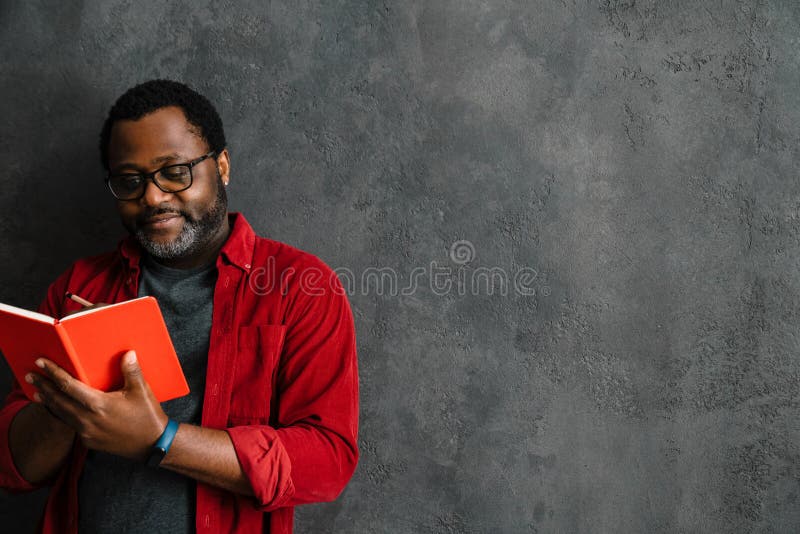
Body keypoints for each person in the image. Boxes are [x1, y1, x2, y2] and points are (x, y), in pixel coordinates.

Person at [0, 80, 359, 533]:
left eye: (175, 172)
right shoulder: (78, 287)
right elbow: (17, 469)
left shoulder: (300, 287)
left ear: (222, 166)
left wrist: (159, 438)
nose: (152, 197)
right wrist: (64, 401)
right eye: (129, 182)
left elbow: (326, 463)